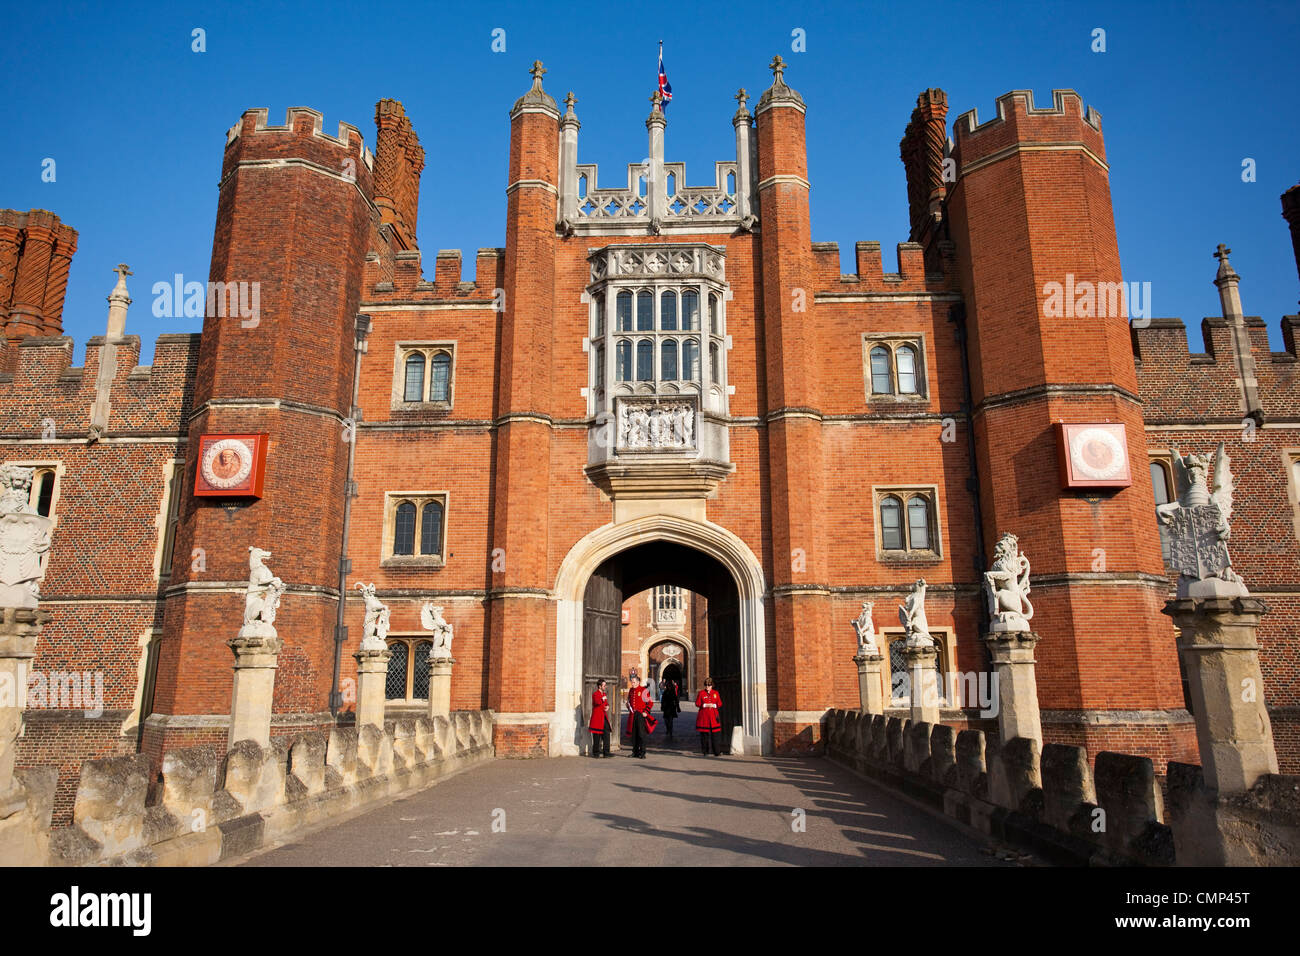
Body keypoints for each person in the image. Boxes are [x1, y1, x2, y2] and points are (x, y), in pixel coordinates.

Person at [626, 674, 657, 758]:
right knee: (634, 734)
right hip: (633, 715)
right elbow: (629, 701)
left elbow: (650, 703)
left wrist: (646, 712)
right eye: (631, 682)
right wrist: (628, 706)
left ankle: (642, 753)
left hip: (640, 714)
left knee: (641, 734)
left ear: (638, 682)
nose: (632, 684)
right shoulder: (631, 690)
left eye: (633, 682)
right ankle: (635, 752)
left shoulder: (643, 690)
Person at [695, 677, 722, 756]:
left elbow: (720, 703)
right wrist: (704, 705)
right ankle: (705, 751)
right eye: (706, 685)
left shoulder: (715, 693)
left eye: (709, 685)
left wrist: (714, 705)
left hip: (714, 717)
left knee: (715, 736)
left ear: (712, 685)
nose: (707, 687)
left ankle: (716, 751)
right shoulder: (701, 693)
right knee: (704, 736)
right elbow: (697, 703)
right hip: (704, 717)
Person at [589, 679, 611, 758]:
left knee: (606, 734)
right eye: (604, 685)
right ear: (599, 686)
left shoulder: (604, 694)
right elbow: (597, 702)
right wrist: (603, 699)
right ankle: (596, 753)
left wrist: (607, 706)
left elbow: (606, 703)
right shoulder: (595, 694)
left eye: (605, 685)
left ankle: (606, 752)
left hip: (603, 717)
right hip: (597, 718)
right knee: (597, 736)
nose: (605, 687)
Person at [660, 676, 680, 740]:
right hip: (666, 707)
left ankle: (670, 730)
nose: (668, 686)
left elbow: (676, 700)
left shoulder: (672, 692)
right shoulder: (665, 692)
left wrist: (678, 707)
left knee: (670, 720)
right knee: (666, 720)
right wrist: (662, 706)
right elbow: (662, 700)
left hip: (671, 707)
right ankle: (668, 729)